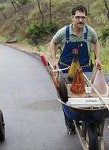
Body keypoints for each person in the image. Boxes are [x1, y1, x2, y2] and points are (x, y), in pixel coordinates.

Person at [49, 5, 101, 135]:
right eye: (77, 17)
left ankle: (87, 119)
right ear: (72, 18)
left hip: (85, 69)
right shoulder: (64, 32)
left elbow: (96, 42)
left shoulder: (90, 32)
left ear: (86, 18)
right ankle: (70, 123)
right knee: (67, 99)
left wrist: (97, 58)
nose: (80, 20)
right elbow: (53, 43)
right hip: (66, 70)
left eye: (83, 17)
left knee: (86, 95)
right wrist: (54, 59)